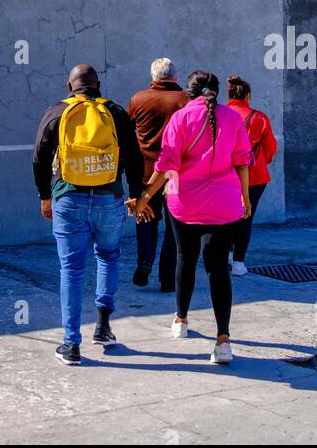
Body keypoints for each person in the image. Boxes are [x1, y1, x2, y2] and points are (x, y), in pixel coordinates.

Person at [136, 70, 252, 365]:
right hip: (224, 206)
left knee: (185, 259)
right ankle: (223, 340)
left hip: (184, 203)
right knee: (217, 270)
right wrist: (246, 198)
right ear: (216, 92)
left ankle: (181, 320)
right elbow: (241, 163)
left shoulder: (180, 119)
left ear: (188, 94)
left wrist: (144, 197)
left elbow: (166, 166)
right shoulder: (233, 118)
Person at [33, 63, 144, 366]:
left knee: (72, 269)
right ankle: (103, 327)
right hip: (109, 197)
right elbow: (134, 156)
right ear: (99, 85)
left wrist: (45, 195)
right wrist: (136, 194)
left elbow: (39, 156)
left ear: (70, 87)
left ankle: (71, 344)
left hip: (68, 198)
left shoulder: (57, 111)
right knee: (108, 256)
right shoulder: (116, 111)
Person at [126, 58, 188, 290]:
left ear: (153, 78)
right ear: (175, 77)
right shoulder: (185, 100)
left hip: (145, 174)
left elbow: (126, 132)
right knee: (174, 227)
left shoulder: (138, 99)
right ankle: (168, 277)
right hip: (174, 176)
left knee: (145, 218)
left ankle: (145, 262)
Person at [225, 75, 278, 275]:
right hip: (255, 175)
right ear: (248, 95)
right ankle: (239, 263)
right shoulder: (260, 117)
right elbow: (271, 149)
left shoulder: (221, 114)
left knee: (226, 215)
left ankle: (227, 253)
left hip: (226, 174)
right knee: (246, 216)